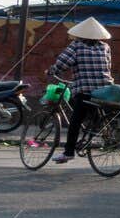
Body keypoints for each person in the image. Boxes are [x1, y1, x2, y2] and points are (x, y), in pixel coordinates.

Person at [46, 17, 114, 163]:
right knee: (94, 114)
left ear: (80, 34)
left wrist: (51, 70)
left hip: (85, 89)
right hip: (106, 89)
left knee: (75, 121)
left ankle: (68, 152)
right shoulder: (105, 47)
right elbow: (107, 67)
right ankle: (100, 131)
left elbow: (62, 63)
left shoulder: (76, 46)